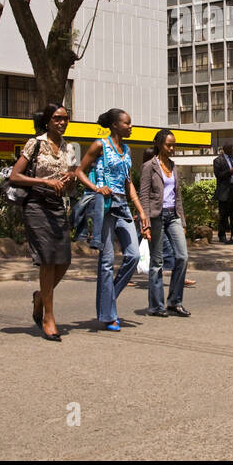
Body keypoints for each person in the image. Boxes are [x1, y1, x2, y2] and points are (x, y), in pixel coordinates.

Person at [76, 108, 150, 331]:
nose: (130, 126)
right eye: (127, 123)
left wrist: (142, 211)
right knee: (107, 262)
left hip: (123, 206)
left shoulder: (126, 150)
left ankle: (108, 300)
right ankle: (109, 315)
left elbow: (129, 184)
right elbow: (79, 171)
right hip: (105, 207)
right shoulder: (100, 145)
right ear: (115, 125)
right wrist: (97, 188)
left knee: (134, 255)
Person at [9, 103, 77, 342]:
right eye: (57, 118)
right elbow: (14, 175)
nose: (62, 122)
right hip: (36, 205)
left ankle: (40, 297)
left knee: (64, 260)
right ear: (48, 121)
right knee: (48, 260)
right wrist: (45, 182)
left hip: (57, 205)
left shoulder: (69, 147)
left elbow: (73, 181)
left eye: (65, 118)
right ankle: (48, 316)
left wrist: (70, 179)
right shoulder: (35, 143)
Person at [139, 129, 191, 318]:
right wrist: (144, 223)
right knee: (157, 262)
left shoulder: (174, 165)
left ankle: (174, 302)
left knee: (182, 257)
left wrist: (182, 221)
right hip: (156, 216)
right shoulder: (149, 166)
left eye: (174, 145)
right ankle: (156, 306)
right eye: (169, 145)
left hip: (173, 216)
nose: (172, 148)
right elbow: (143, 195)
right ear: (160, 144)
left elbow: (178, 196)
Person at [213, 142, 233, 243]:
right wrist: (229, 171)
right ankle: (222, 235)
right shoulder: (218, 160)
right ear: (225, 149)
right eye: (231, 149)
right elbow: (218, 175)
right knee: (223, 215)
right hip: (224, 191)